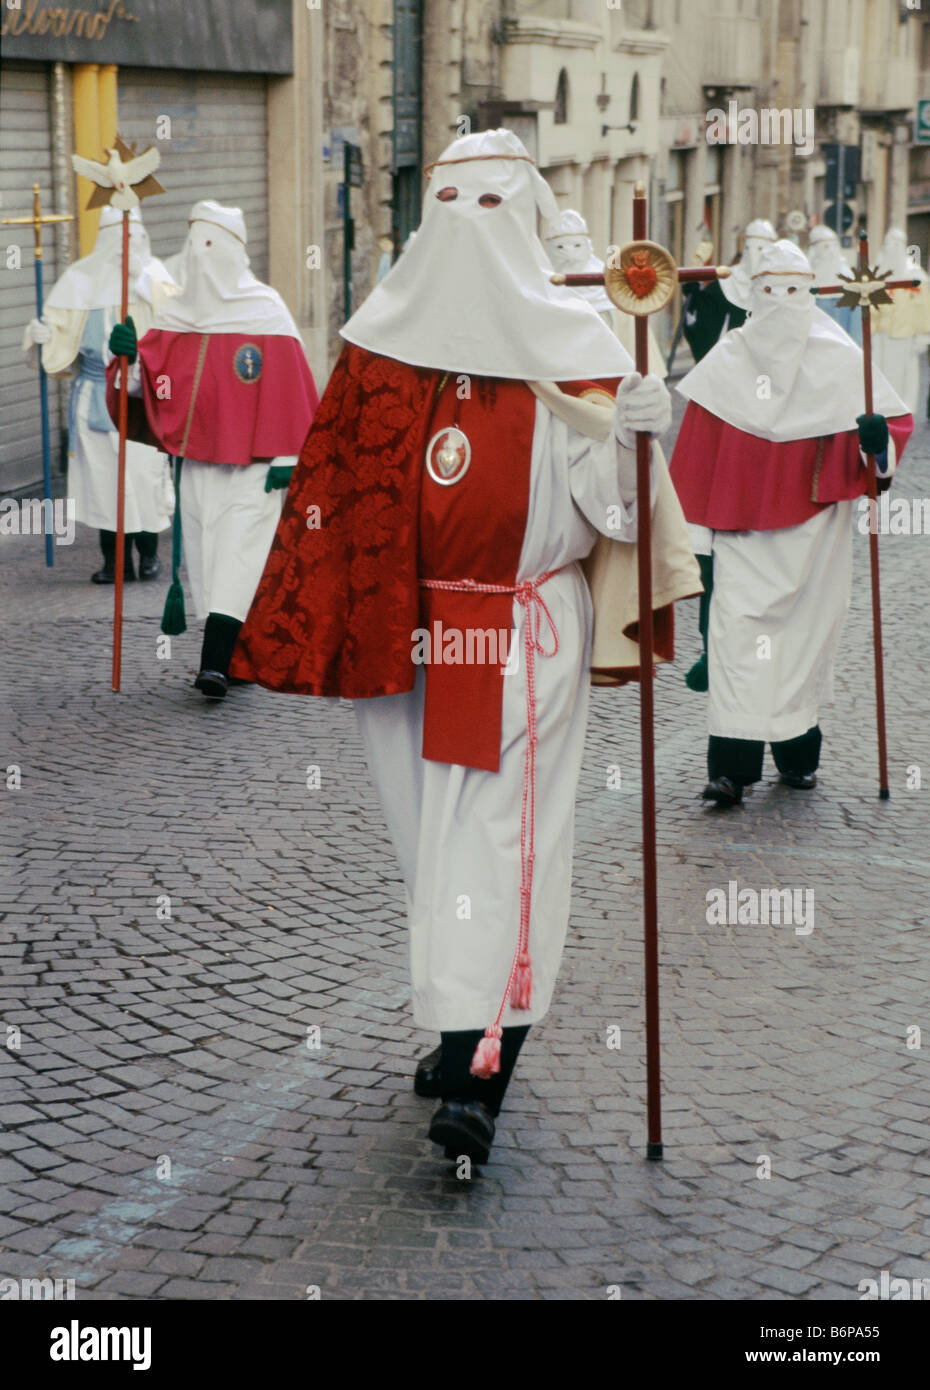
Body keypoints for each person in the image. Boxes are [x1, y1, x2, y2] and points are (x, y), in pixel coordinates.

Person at [230, 130, 699, 1165]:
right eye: (451, 201)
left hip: (520, 629)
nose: (469, 224)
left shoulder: (579, 350)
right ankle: (453, 1023)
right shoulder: (380, 350)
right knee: (431, 847)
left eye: (492, 203)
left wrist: (634, 432)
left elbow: (617, 517)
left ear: (527, 214)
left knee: (501, 843)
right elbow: (336, 501)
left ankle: (481, 1063)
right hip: (413, 642)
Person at [669, 240, 913, 806]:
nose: (782, 304)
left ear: (812, 295)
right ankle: (731, 770)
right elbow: (697, 461)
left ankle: (798, 759)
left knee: (803, 644)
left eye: (794, 292)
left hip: (816, 536)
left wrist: (876, 447)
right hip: (742, 538)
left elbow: (884, 443)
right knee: (735, 643)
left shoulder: (841, 360)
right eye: (770, 292)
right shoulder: (726, 365)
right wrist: (695, 548)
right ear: (753, 295)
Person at [105, 200, 319, 700]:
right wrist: (129, 361)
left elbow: (293, 393)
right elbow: (152, 389)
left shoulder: (266, 311)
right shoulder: (177, 315)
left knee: (239, 560)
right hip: (196, 464)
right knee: (208, 561)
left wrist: (289, 459)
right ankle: (240, 657)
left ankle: (215, 665)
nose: (201, 258)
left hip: (255, 468)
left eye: (211, 246)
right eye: (194, 245)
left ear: (233, 250)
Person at [22, 206, 176, 583]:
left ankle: (150, 554)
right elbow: (58, 345)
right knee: (106, 486)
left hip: (142, 399)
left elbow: (179, 336)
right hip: (93, 397)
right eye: (125, 239)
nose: (132, 247)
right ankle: (114, 562)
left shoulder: (157, 280)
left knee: (142, 479)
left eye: (138, 237)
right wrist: (39, 338)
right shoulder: (79, 280)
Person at [544, 207, 667, 377]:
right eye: (560, 247)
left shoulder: (613, 291)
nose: (569, 255)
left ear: (587, 246)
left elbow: (633, 345)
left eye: (576, 245)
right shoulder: (544, 284)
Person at [680, 218, 776, 363]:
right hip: (733, 362)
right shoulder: (727, 281)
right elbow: (705, 327)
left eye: (761, 249)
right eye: (750, 249)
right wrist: (695, 291)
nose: (755, 257)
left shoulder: (782, 284)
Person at [871, 227, 930, 417]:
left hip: (905, 335)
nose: (894, 247)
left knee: (905, 376)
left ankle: (903, 411)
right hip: (880, 334)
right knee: (880, 373)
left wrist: (923, 336)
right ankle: (880, 408)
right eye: (890, 243)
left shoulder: (915, 275)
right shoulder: (875, 273)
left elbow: (923, 305)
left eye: (898, 243)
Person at [807, 223, 861, 344]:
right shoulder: (805, 282)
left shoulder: (849, 280)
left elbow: (856, 329)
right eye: (825, 247)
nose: (830, 252)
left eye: (833, 246)